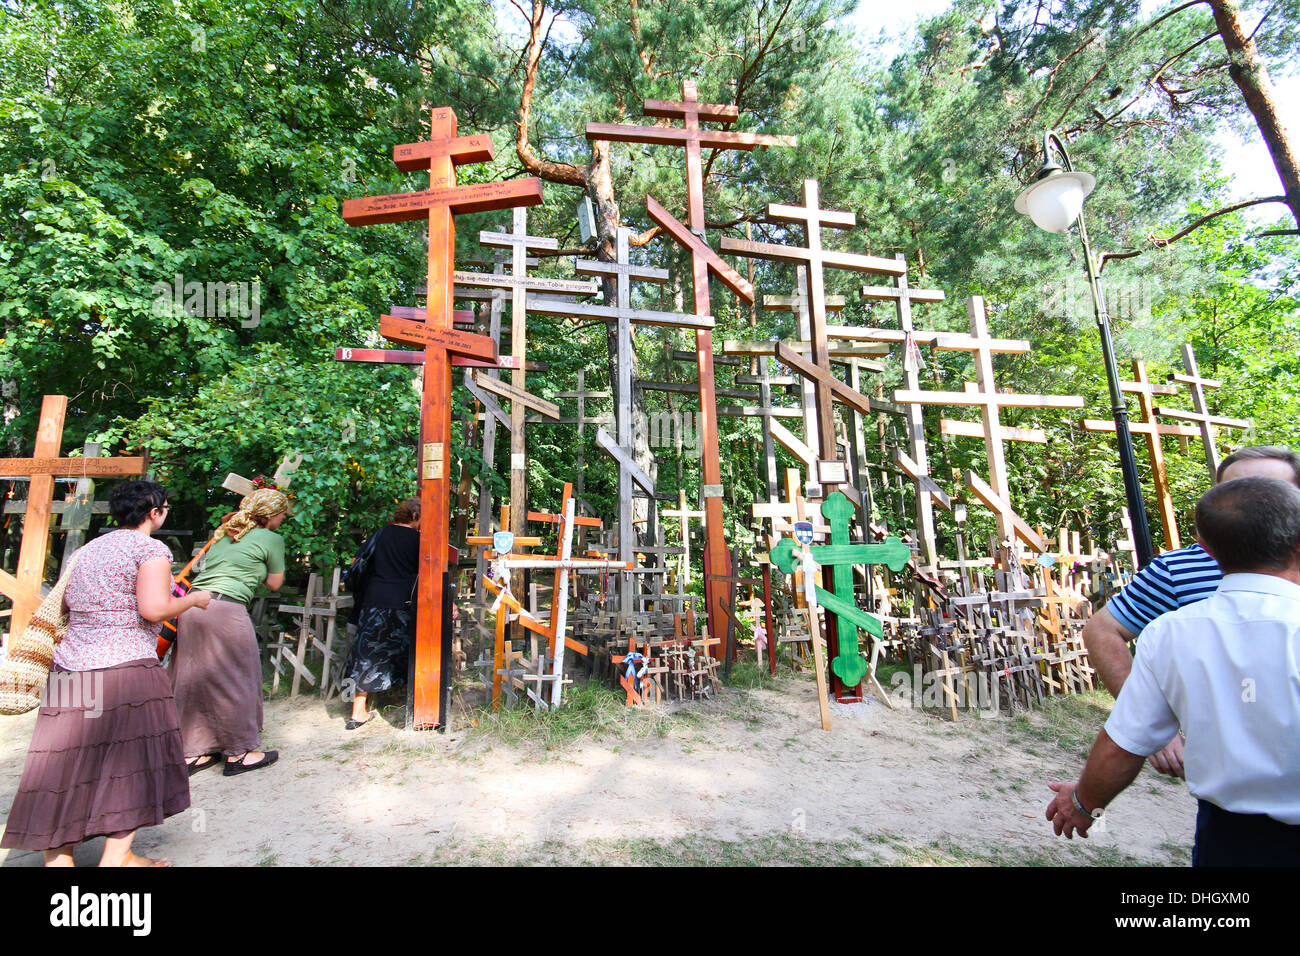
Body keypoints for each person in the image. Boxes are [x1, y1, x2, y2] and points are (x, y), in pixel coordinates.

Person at [1046, 476, 1300, 865]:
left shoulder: (1171, 632)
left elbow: (1124, 744)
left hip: (1231, 841)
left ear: (1209, 551)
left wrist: (1084, 804)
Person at [1, 480, 211, 866]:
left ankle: (58, 857)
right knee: (132, 760)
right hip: (125, 667)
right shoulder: (150, 549)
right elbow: (152, 609)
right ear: (154, 512)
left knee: (59, 759)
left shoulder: (85, 551)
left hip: (69, 668)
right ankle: (118, 858)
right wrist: (193, 600)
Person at [1082, 445, 1300, 778]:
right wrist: (1155, 729)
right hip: (1230, 791)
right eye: (1236, 491)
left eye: (1269, 492)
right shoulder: (1179, 569)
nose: (1253, 503)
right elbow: (1102, 630)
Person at [170, 486, 288, 775]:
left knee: (191, 677)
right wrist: (256, 572)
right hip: (226, 609)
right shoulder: (272, 538)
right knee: (238, 676)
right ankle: (240, 752)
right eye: (283, 514)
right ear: (272, 515)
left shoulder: (225, 532)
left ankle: (193, 753)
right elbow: (274, 583)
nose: (284, 519)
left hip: (192, 607)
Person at [342, 499, 419, 729]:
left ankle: (358, 711)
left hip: (373, 600)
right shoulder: (419, 540)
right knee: (408, 649)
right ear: (414, 515)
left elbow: (357, 561)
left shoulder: (381, 533)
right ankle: (408, 700)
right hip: (403, 601)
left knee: (366, 651)